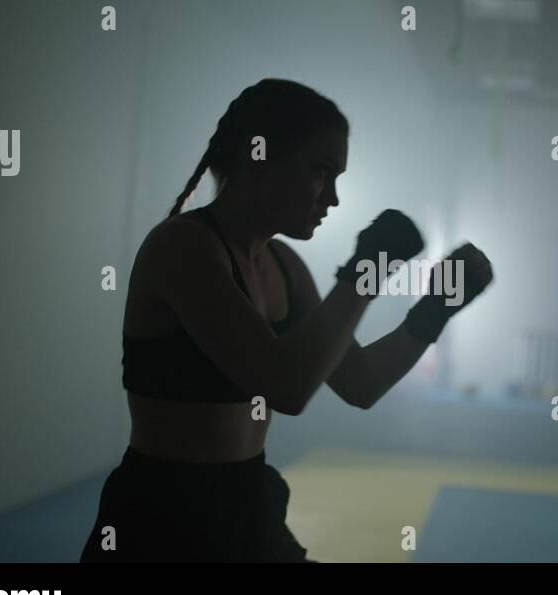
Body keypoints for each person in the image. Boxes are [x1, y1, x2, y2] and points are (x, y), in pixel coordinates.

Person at [80, 78, 493, 562]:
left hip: (248, 506)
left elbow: (359, 383)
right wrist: (365, 272)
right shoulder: (182, 247)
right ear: (258, 157)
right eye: (320, 172)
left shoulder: (284, 267)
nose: (331, 198)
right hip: (163, 520)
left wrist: (435, 309)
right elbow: (285, 386)